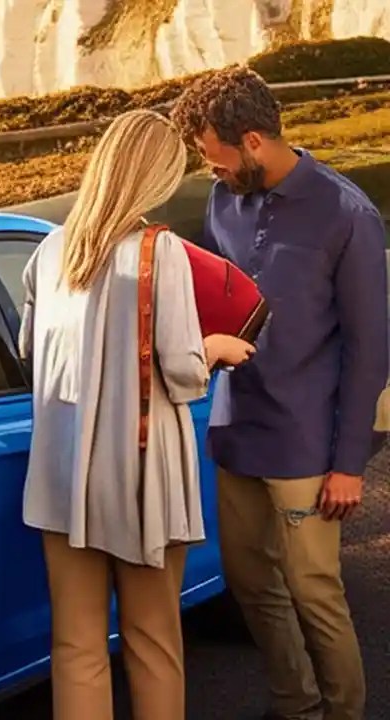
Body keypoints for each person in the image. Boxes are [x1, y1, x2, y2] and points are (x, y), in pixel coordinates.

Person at [18, 108, 256, 720]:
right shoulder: (161, 251)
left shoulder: (49, 252)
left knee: (75, 646)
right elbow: (180, 369)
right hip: (142, 477)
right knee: (152, 642)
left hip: (63, 478)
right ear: (153, 177)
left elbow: (28, 349)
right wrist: (218, 348)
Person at [170, 66, 388, 720]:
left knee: (315, 590)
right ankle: (296, 706)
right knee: (250, 583)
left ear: (256, 140)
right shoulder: (222, 200)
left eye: (215, 155)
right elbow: (219, 300)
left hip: (307, 444)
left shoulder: (346, 213)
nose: (211, 169)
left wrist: (349, 463)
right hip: (237, 432)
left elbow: (371, 348)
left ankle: (344, 713)